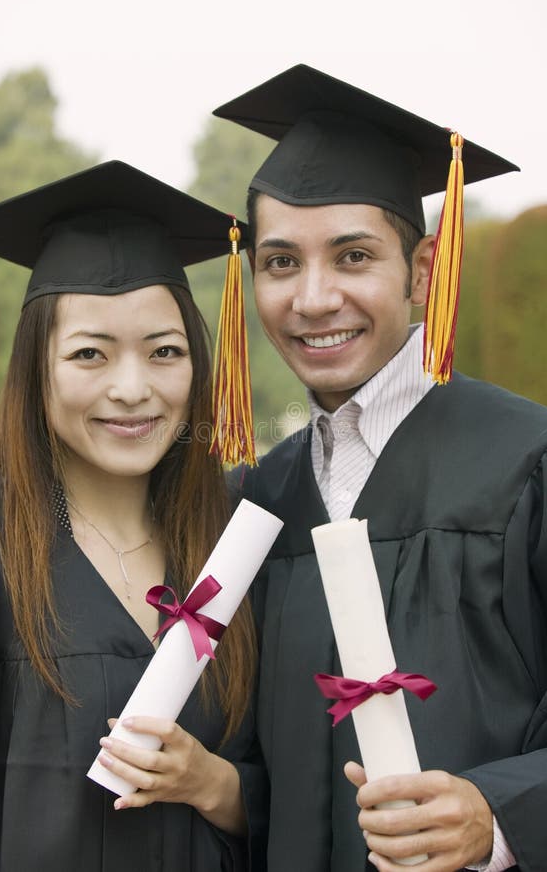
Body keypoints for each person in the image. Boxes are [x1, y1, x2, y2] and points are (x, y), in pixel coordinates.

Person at [215, 65, 547, 871]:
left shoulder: (525, 463)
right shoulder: (256, 502)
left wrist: (498, 815)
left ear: (423, 273)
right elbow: (266, 774)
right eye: (281, 262)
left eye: (353, 256)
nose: (314, 298)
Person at [0, 161, 267, 872]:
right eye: (90, 353)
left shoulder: (236, 549)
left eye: (165, 353)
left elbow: (302, 795)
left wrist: (217, 786)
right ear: (38, 371)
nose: (133, 389)